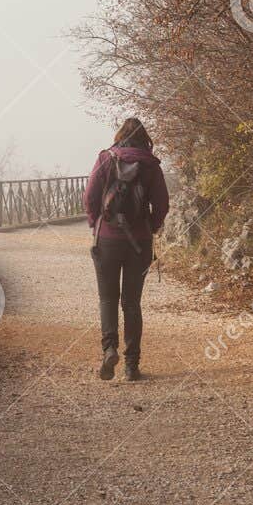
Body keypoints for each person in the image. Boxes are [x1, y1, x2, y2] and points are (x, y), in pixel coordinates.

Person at [83, 117, 169, 381]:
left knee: (107, 299)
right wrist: (150, 227)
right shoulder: (151, 165)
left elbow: (90, 197)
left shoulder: (106, 158)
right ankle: (132, 365)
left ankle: (109, 349)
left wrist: (95, 222)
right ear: (145, 138)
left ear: (120, 135)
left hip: (107, 240)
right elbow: (162, 204)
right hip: (139, 242)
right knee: (131, 303)